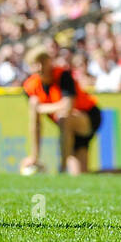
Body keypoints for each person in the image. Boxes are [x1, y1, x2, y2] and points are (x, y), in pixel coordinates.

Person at [20, 46, 103, 175]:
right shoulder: (30, 87)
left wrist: (40, 108)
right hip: (69, 130)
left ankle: (62, 168)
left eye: (42, 62)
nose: (40, 68)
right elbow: (35, 123)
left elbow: (68, 106)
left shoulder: (63, 76)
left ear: (49, 62)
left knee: (64, 118)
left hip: (87, 117)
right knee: (81, 174)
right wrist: (34, 156)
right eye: (35, 64)